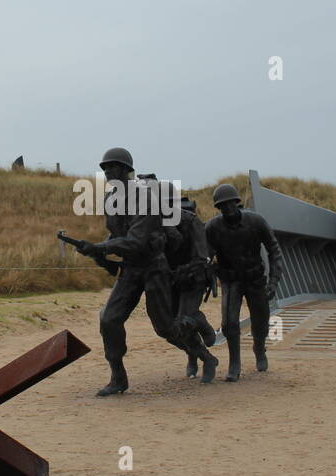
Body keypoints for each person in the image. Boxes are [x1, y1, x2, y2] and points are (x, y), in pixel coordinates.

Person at [82, 149, 217, 395]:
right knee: (109, 319)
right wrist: (97, 250)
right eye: (105, 168)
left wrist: (103, 247)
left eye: (112, 167)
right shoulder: (111, 200)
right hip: (131, 269)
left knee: (165, 328)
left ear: (125, 170)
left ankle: (204, 354)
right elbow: (118, 234)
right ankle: (118, 378)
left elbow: (137, 240)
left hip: (154, 268)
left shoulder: (145, 199)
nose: (108, 172)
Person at [205, 184, 283, 381]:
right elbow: (204, 255)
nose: (227, 209)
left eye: (230, 204)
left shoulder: (256, 221)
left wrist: (273, 282)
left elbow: (274, 250)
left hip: (255, 279)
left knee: (261, 321)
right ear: (219, 208)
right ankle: (234, 363)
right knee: (229, 323)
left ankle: (259, 348)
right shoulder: (213, 228)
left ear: (237, 203)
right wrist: (208, 270)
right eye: (222, 206)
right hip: (231, 280)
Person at [166, 195, 218, 378]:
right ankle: (194, 354)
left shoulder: (192, 223)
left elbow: (203, 257)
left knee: (185, 319)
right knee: (169, 328)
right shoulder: (153, 223)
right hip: (170, 281)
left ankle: (202, 324)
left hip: (194, 278)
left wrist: (186, 270)